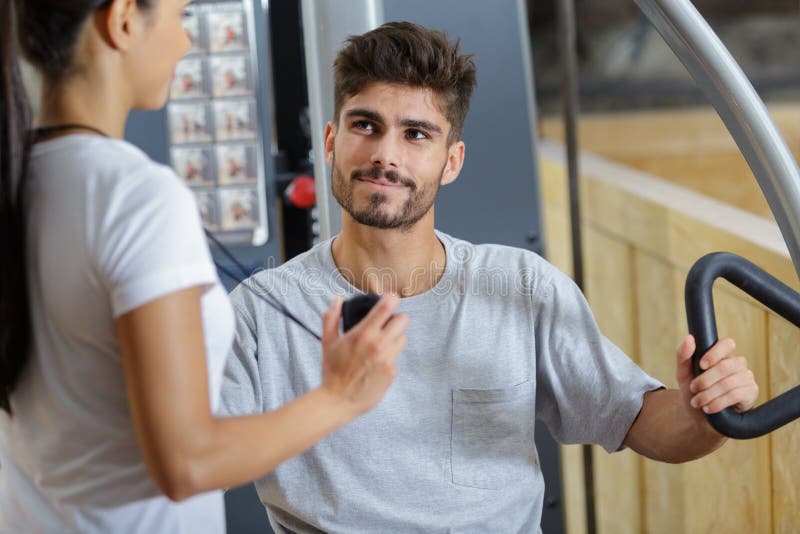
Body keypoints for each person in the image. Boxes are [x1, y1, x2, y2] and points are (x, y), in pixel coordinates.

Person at [219, 21, 760, 533]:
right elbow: (201, 457)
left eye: (416, 134)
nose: (385, 155)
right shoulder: (261, 310)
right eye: (367, 126)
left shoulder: (522, 286)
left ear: (451, 161)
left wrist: (703, 415)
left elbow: (637, 419)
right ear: (332, 142)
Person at [0, 1, 408, 532]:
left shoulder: (22, 183)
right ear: (123, 20)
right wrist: (340, 395)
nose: (185, 43)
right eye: (179, 18)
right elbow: (187, 463)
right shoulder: (133, 197)